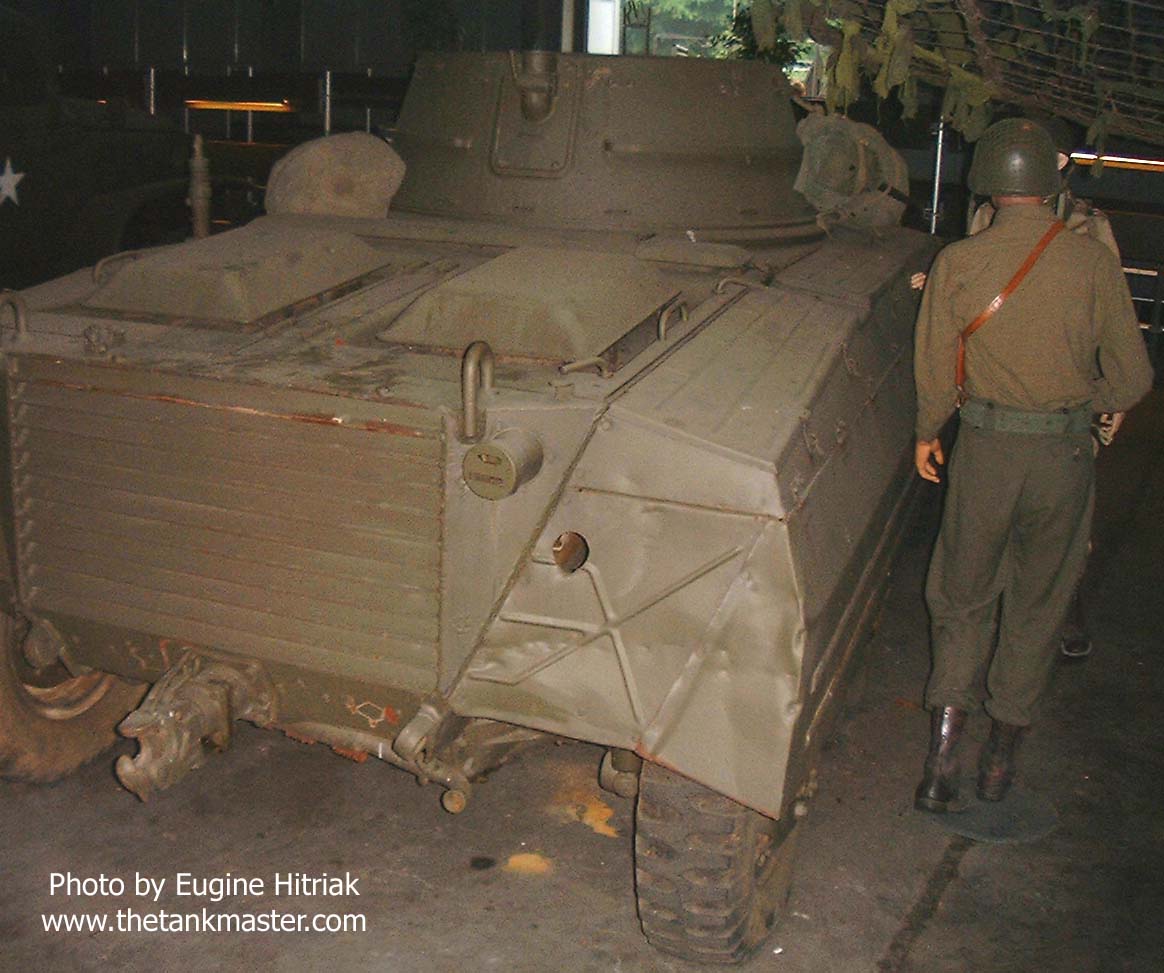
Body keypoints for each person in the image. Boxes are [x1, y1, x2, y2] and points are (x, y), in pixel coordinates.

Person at [911, 118, 1153, 814]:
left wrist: (929, 433)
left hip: (984, 450)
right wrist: (1084, 406)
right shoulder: (1094, 264)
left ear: (986, 181)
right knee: (1039, 605)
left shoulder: (958, 261)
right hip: (1063, 457)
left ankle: (939, 764)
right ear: (1051, 184)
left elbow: (933, 371)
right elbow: (1133, 377)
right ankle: (998, 766)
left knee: (961, 598)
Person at [912, 115, 1125, 660]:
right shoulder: (1075, 244)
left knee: (972, 582)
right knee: (1036, 581)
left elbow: (940, 355)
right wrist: (1095, 400)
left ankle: (949, 726)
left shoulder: (1082, 229)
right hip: (1058, 433)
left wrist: (928, 428)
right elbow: (1129, 365)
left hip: (1001, 431)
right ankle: (1010, 725)